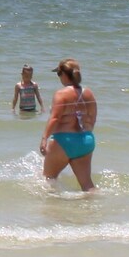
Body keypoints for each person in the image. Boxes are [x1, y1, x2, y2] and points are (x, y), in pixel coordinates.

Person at [40, 58, 98, 192]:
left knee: (49, 180)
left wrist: (44, 139)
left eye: (58, 74)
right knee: (87, 185)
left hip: (63, 141)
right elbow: (92, 118)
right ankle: (94, 209)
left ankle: (53, 211)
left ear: (64, 75)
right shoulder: (89, 93)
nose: (59, 78)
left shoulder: (61, 94)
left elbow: (54, 118)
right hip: (86, 140)